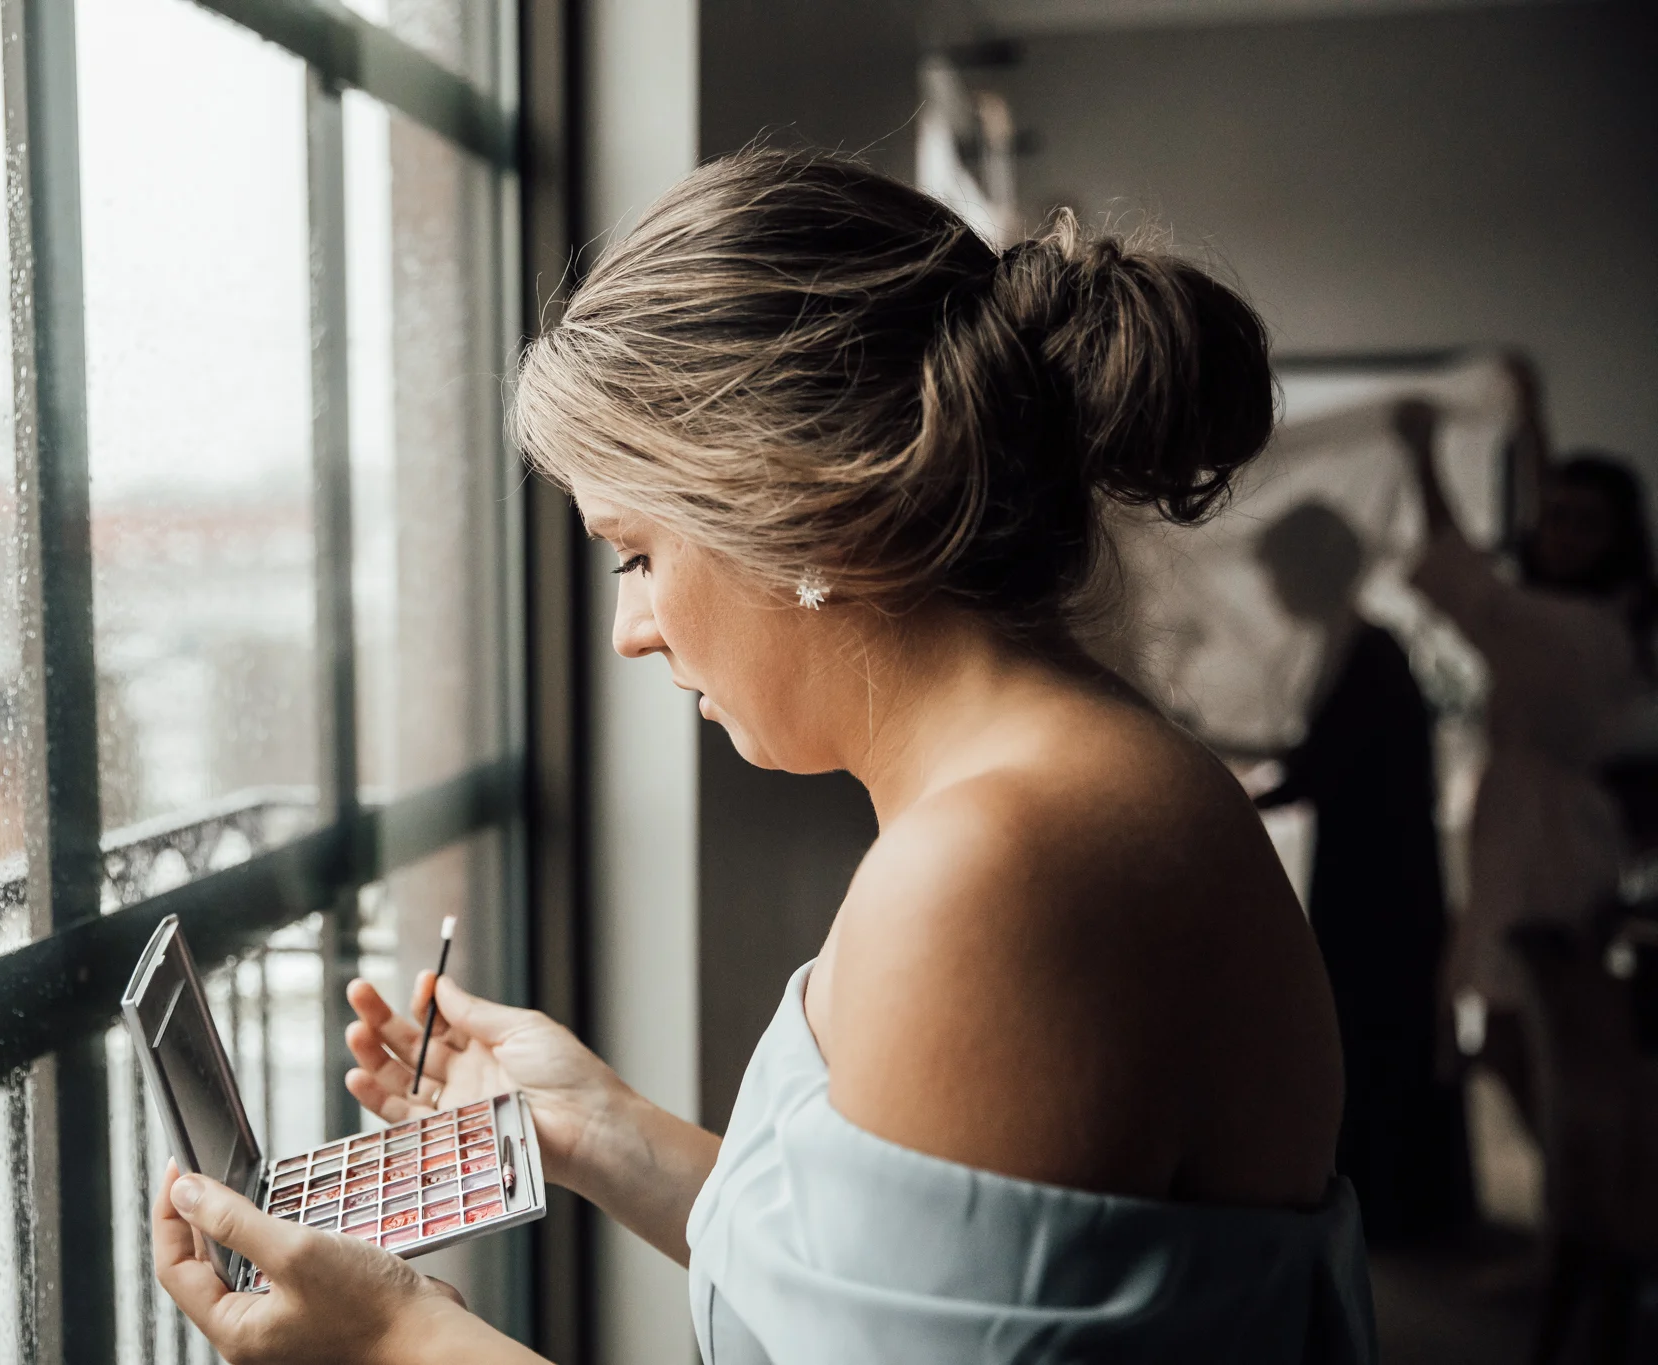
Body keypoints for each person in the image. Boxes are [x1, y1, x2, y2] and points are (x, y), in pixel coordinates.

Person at [151, 149, 1374, 1364]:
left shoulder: (996, 870)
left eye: (635, 554)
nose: (629, 630)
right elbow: (898, 1294)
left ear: (801, 509)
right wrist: (595, 1127)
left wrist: (396, 1340)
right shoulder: (1091, 786)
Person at [1397, 381, 1651, 1122]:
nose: (1561, 533)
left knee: (1538, 1029)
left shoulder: (1575, 634)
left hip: (1552, 845)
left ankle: (1581, 1186)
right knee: (1533, 1025)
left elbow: (1467, 585)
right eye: (1556, 518)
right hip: (1547, 833)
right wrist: (1534, 419)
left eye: (1585, 523)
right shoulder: (1605, 620)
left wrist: (1421, 456)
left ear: (1615, 538)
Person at [1249, 501, 1472, 1244]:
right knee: (1372, 1027)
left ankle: (1402, 1203)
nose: (1274, 589)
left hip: (1384, 886)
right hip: (1373, 874)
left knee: (1382, 1029)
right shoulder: (1350, 645)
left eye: (1279, 573)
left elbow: (1328, 765)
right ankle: (1394, 1197)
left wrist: (1241, 794)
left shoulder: (1370, 651)